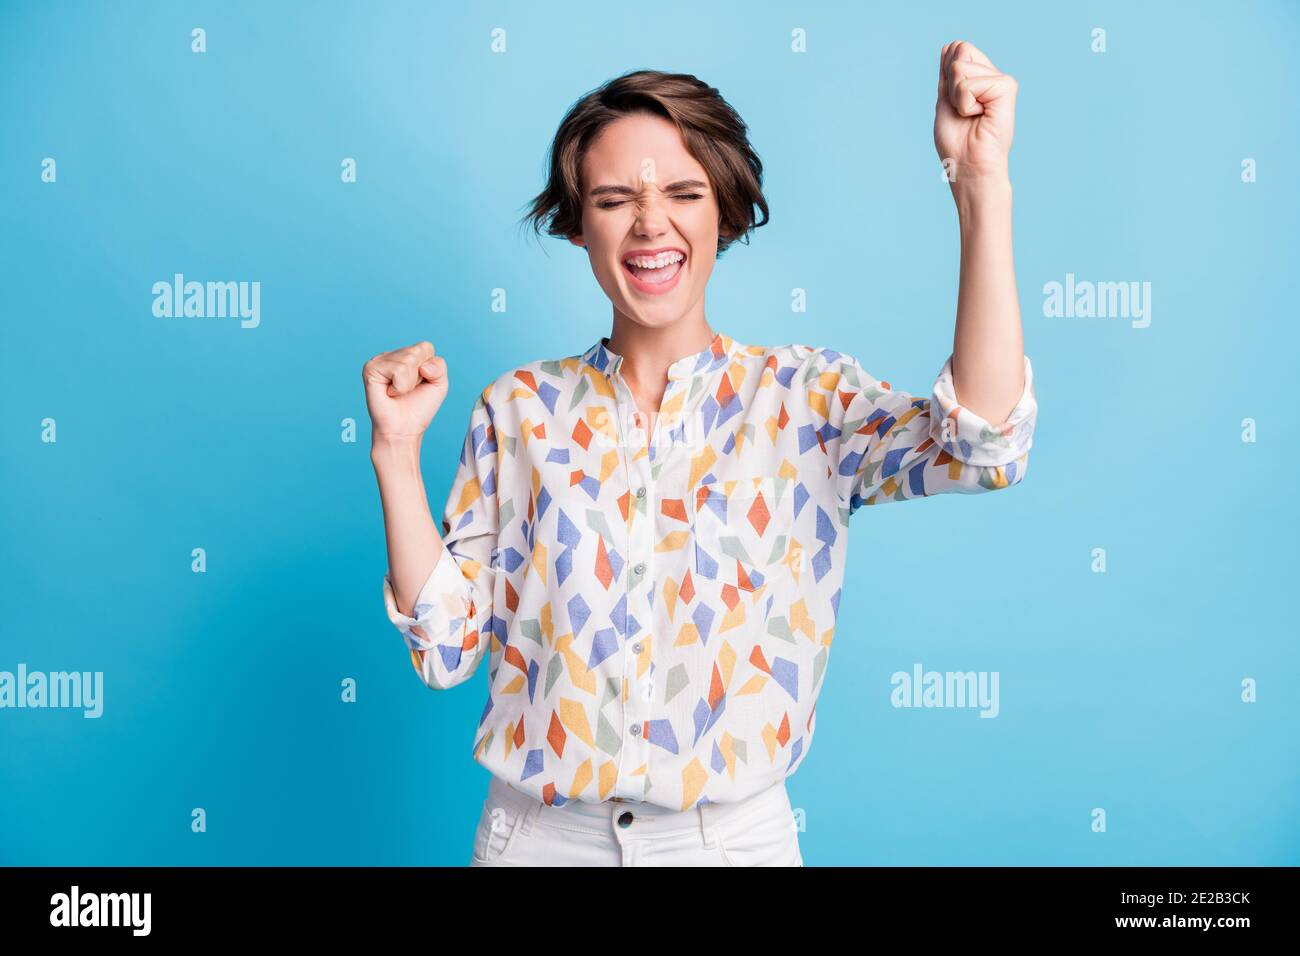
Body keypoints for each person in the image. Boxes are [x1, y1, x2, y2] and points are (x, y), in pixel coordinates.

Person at [363, 42, 1037, 867]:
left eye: (683, 192)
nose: (651, 222)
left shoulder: (806, 400)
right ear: (579, 226)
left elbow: (984, 445)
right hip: (539, 843)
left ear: (725, 209)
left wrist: (979, 183)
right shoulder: (518, 411)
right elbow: (445, 651)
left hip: (732, 844)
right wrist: (397, 454)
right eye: (615, 199)